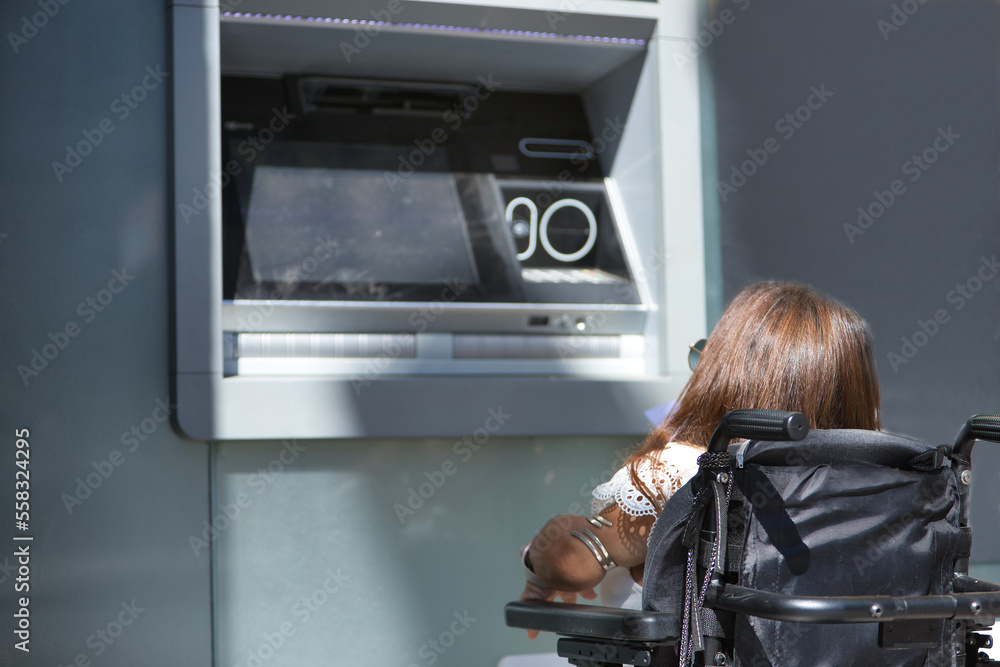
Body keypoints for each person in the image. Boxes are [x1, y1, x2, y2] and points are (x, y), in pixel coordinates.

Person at [518, 281, 882, 625]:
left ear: (725, 376)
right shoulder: (874, 485)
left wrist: (537, 557)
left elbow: (575, 563)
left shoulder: (681, 473)